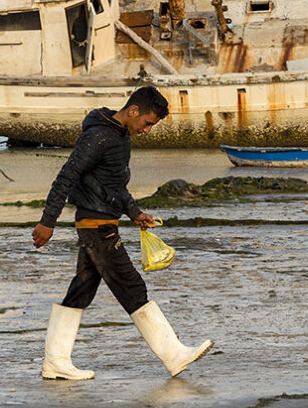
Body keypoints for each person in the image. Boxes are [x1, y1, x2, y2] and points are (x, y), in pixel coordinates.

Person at [31, 86, 213, 380]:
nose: (148, 130)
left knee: (81, 290)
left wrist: (135, 213)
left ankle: (55, 362)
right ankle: (172, 354)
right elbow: (66, 176)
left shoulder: (120, 136)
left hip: (102, 222)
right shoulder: (99, 136)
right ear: (133, 111)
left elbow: (115, 186)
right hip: (96, 226)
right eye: (148, 122)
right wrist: (47, 221)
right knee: (131, 286)